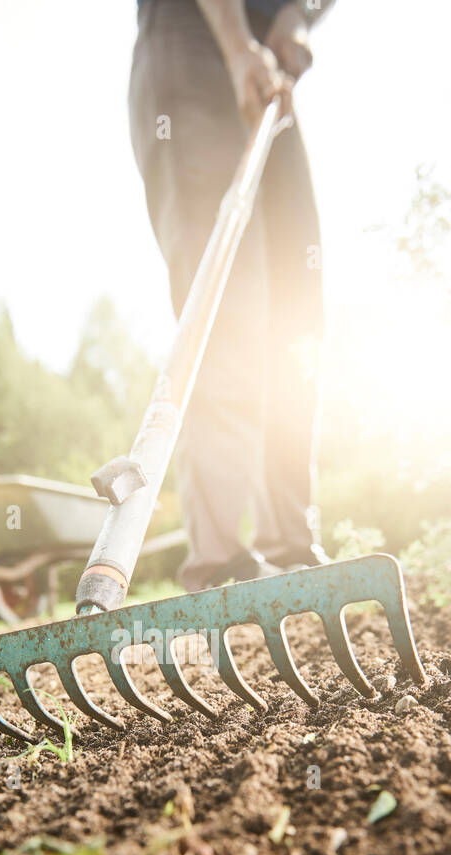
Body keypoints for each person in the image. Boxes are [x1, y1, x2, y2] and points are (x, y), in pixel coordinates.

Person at [130, 0, 337, 590]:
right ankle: (218, 560)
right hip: (194, 45)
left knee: (298, 316)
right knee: (228, 306)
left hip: (267, 68)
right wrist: (236, 43)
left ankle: (292, 543)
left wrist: (296, 17)